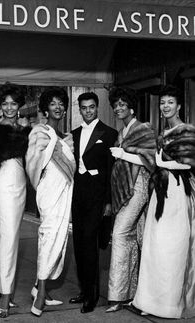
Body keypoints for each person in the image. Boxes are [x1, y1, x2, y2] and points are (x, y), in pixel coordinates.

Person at [133, 84, 195, 319]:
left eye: (170, 102)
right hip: (160, 193)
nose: (165, 106)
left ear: (179, 106)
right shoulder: (161, 133)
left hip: (178, 194)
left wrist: (163, 164)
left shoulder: (186, 130)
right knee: (154, 247)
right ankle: (150, 302)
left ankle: (170, 305)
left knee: (172, 248)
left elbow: (188, 164)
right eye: (162, 102)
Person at [0, 82, 31, 318]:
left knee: (7, 239)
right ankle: (6, 295)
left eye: (13, 103)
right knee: (9, 240)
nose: (9, 107)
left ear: (19, 104)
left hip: (20, 186)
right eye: (5, 103)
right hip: (3, 187)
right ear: (0, 105)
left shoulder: (26, 126)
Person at [25, 87, 76, 317]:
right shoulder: (40, 132)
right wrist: (41, 183)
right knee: (48, 237)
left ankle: (39, 287)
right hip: (47, 192)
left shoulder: (67, 138)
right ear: (46, 108)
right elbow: (33, 163)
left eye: (61, 103)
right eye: (53, 104)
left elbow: (73, 168)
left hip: (65, 191)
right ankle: (42, 292)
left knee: (58, 238)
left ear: (65, 108)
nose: (57, 107)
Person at [106, 87, 156, 312]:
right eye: (115, 105)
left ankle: (117, 295)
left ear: (131, 107)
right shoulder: (121, 132)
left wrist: (123, 154)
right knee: (134, 238)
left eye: (122, 105)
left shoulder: (143, 128)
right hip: (125, 189)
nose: (118, 109)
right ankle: (132, 294)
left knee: (119, 234)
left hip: (139, 187)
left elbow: (150, 159)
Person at [69, 92, 118, 314]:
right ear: (80, 109)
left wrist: (108, 202)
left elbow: (111, 172)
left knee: (90, 244)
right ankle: (83, 289)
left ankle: (92, 296)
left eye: (92, 107)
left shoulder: (109, 133)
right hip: (77, 195)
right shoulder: (74, 134)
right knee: (78, 243)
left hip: (97, 196)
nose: (88, 111)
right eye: (84, 108)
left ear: (97, 108)